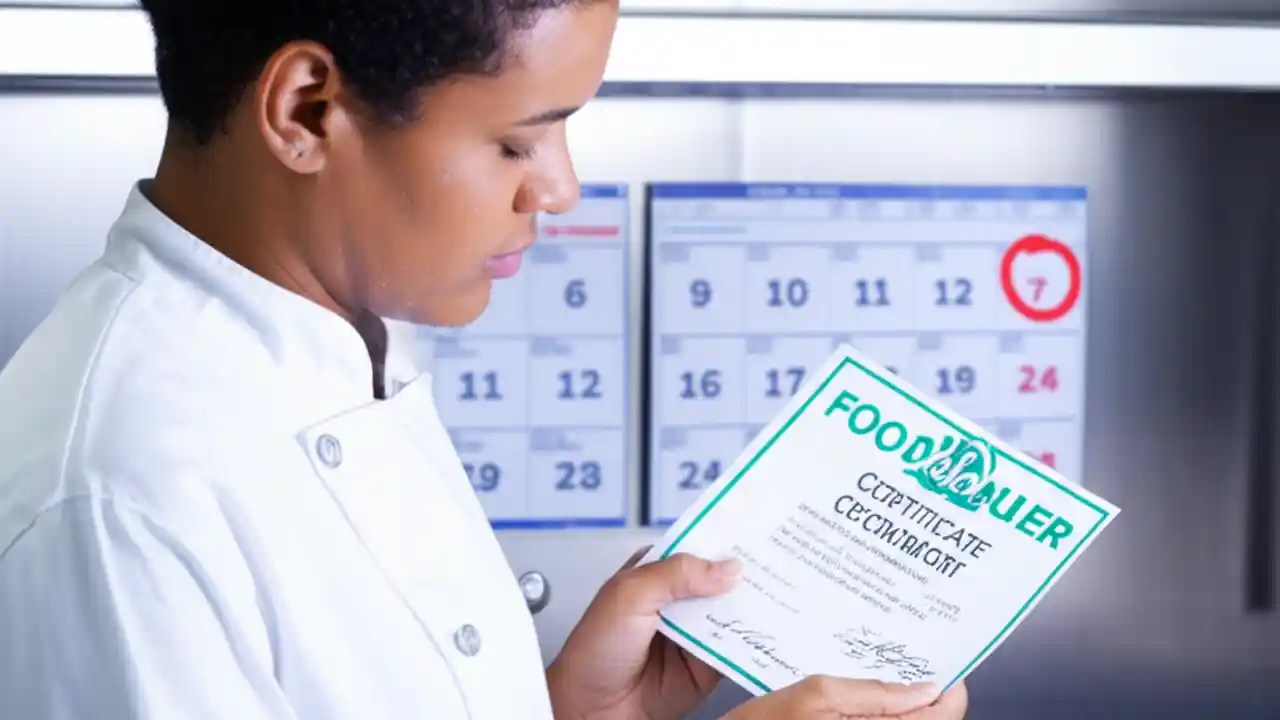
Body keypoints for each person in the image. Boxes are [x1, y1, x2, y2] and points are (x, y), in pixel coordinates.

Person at [0, 1, 969, 718]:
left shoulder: (336, 347)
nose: (558, 187)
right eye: (518, 139)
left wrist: (575, 712)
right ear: (305, 110)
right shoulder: (117, 497)